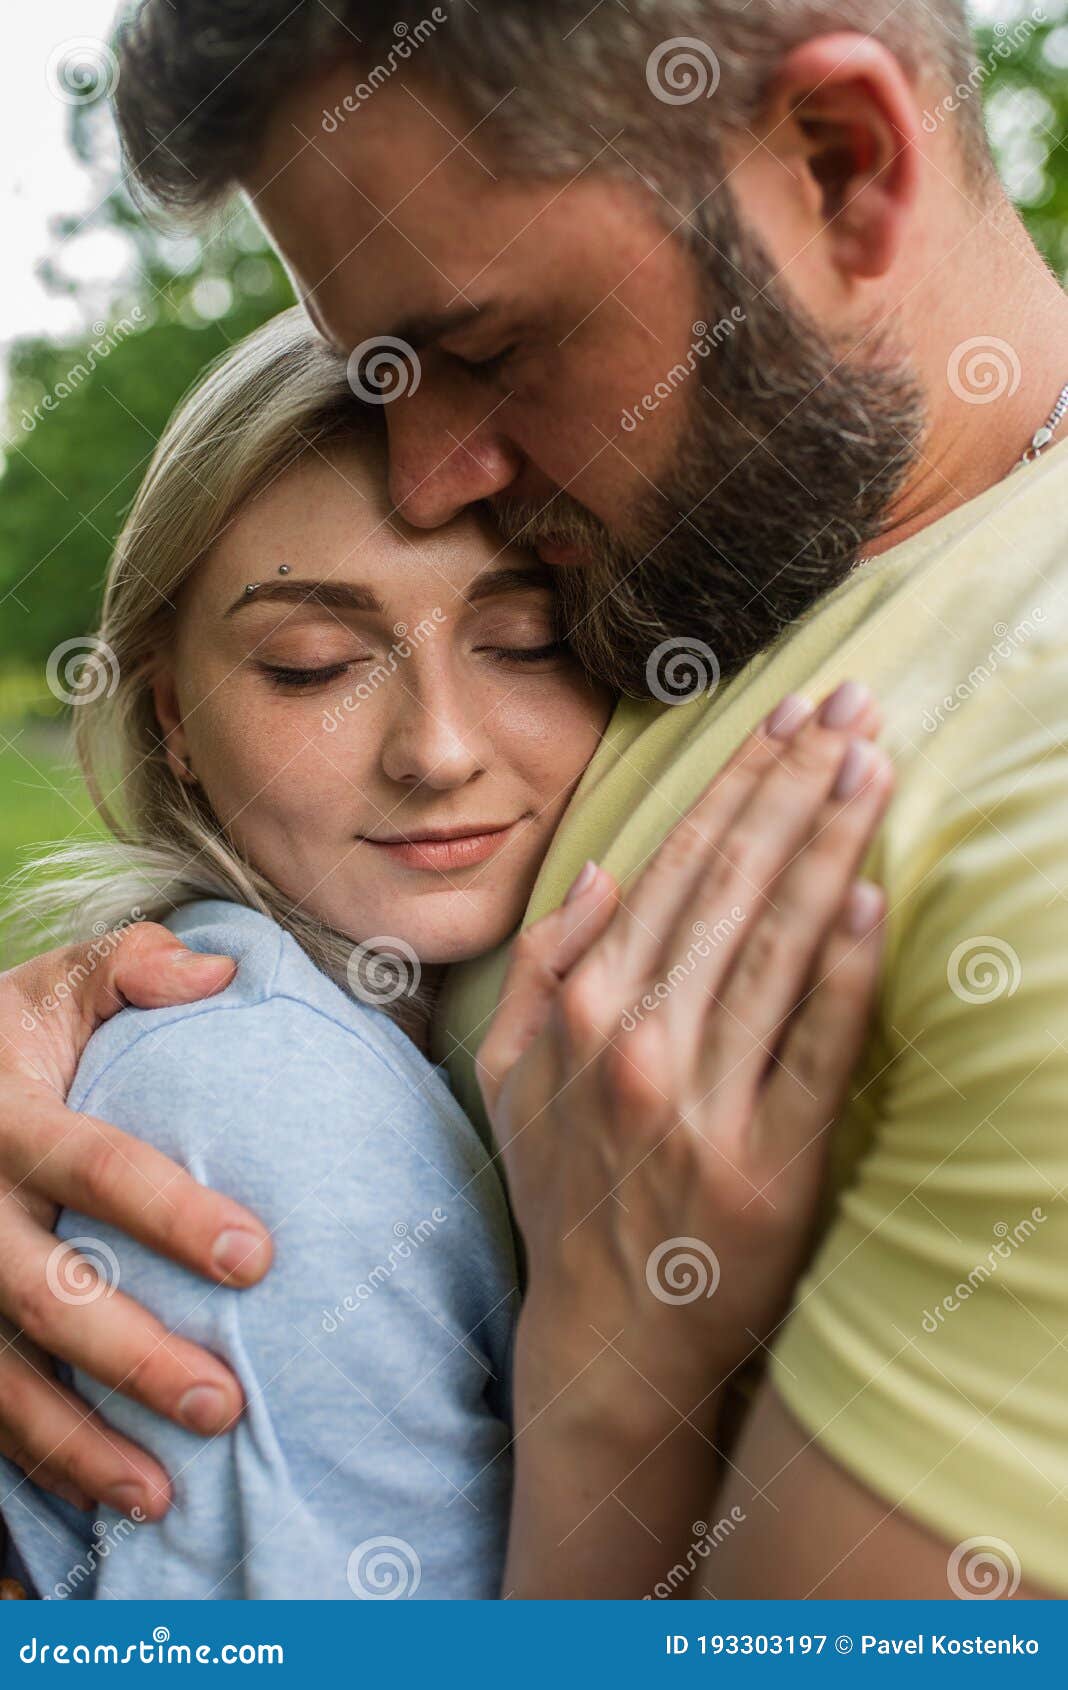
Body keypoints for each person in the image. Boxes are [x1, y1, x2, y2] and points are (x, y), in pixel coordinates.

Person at [1, 0, 1066, 1596]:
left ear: (841, 163)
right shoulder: (681, 537)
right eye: (386, 366)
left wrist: (614, 1395)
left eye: (490, 350)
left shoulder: (1023, 802)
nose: (426, 472)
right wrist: (132, 1019)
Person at [0, 310, 890, 1598]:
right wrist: (619, 1375)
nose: (439, 749)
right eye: (313, 666)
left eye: (529, 640)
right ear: (172, 721)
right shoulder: (256, 1107)